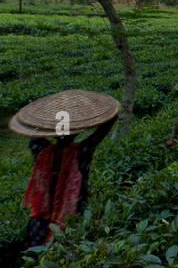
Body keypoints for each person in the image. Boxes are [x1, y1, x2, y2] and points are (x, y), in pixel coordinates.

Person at [10, 90, 119, 248]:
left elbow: (34, 133)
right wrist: (110, 112)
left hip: (41, 209)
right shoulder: (81, 153)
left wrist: (41, 116)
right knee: (65, 246)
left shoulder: (41, 151)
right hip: (72, 208)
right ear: (75, 133)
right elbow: (100, 134)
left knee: (36, 247)